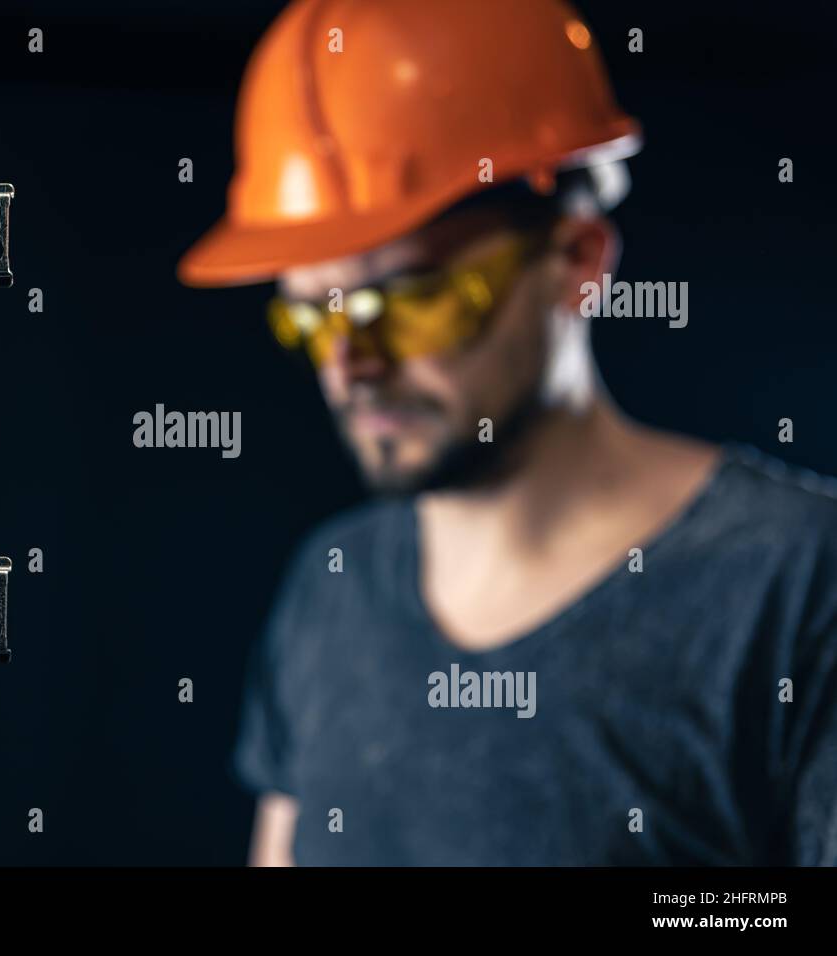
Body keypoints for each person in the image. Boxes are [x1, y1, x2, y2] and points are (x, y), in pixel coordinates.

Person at [179, 0, 837, 865]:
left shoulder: (799, 587)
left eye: (410, 301)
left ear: (576, 263)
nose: (353, 364)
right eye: (315, 316)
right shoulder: (331, 591)